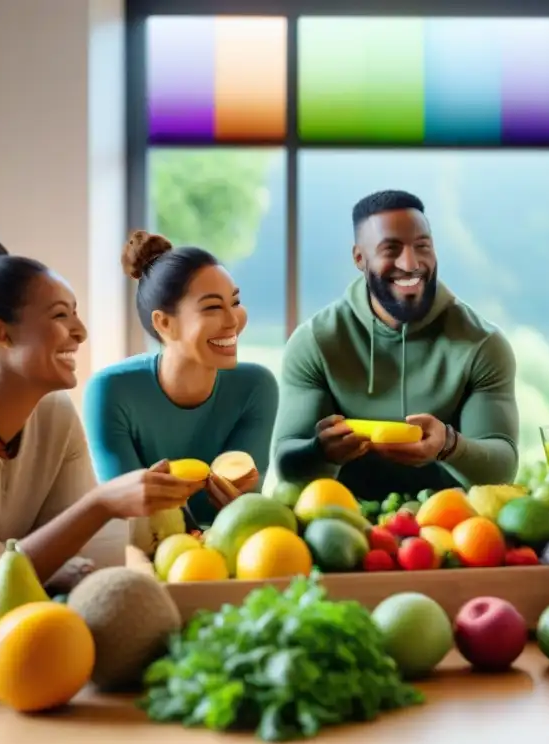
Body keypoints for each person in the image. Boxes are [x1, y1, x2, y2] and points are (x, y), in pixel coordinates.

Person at [0, 235, 205, 596]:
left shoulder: (55, 413)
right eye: (60, 315)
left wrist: (160, 525)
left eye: (75, 313)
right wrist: (102, 503)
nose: (81, 332)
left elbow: (74, 548)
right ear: (0, 333)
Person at [272, 190, 520, 501]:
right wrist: (320, 452)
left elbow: (503, 467)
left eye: (422, 247)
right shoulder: (316, 341)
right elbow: (286, 462)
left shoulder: (482, 344)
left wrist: (450, 445)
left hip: (451, 531)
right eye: (391, 249)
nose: (411, 263)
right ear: (360, 258)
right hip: (341, 526)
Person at [83, 231, 279, 527]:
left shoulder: (257, 387)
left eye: (235, 303)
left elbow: (243, 513)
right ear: (164, 323)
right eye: (213, 307)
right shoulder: (111, 391)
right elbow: (130, 518)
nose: (232, 321)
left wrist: (244, 503)